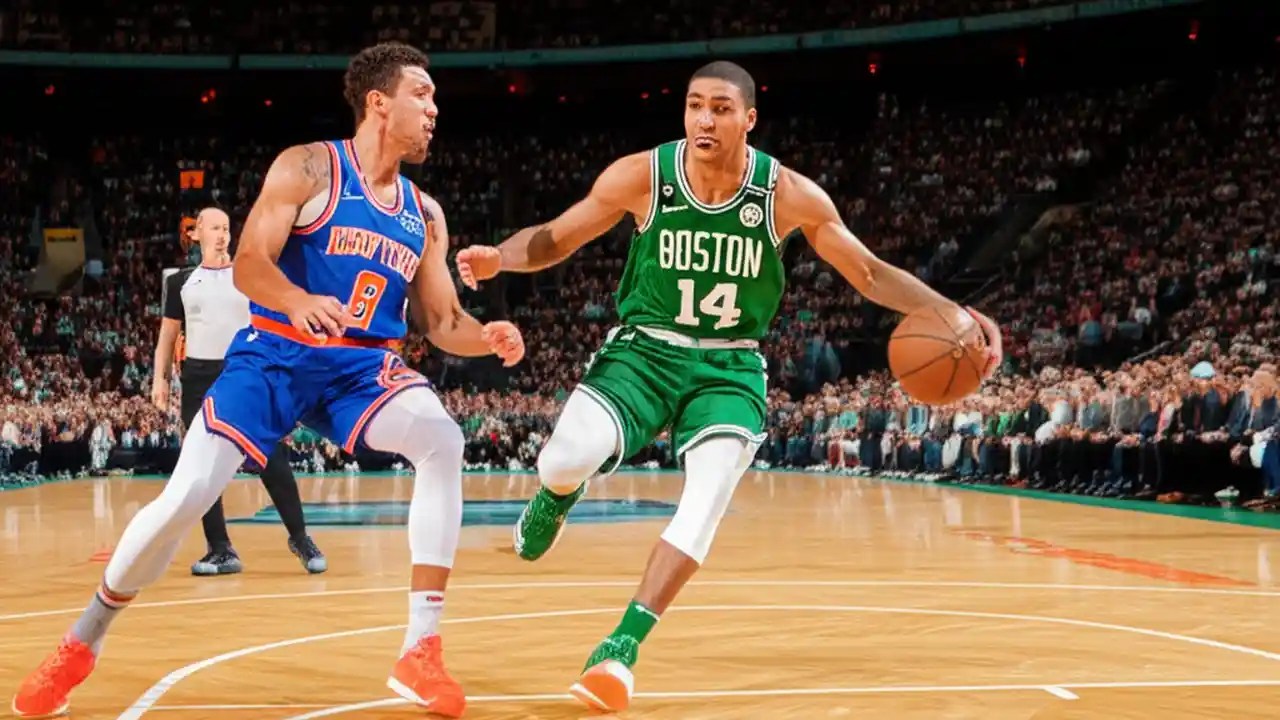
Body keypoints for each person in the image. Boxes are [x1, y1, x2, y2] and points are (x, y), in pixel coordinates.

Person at [455, 60, 1002, 713]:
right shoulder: (644, 175)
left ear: (748, 118)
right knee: (564, 458)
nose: (703, 120)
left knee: (707, 496)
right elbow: (555, 239)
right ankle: (554, 495)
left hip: (729, 364)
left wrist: (956, 315)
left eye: (719, 108)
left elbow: (869, 273)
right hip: (644, 350)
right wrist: (500, 256)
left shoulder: (788, 194)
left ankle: (620, 649)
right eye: (693, 106)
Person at [12, 42, 524, 720]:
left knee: (443, 439)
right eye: (422, 96)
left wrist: (483, 336)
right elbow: (250, 264)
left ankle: (419, 650)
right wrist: (294, 300)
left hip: (359, 366)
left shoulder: (423, 213)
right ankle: (83, 642)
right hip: (275, 354)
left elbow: (438, 319)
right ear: (379, 102)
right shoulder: (309, 167)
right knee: (188, 494)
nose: (435, 110)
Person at [152, 206, 327, 577]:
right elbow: (168, 335)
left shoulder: (248, 276)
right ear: (196, 232)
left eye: (226, 229)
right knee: (203, 468)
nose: (222, 235)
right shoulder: (179, 282)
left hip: (245, 372)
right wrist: (160, 381)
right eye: (214, 228)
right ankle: (220, 549)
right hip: (198, 377)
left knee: (270, 456)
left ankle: (300, 537)